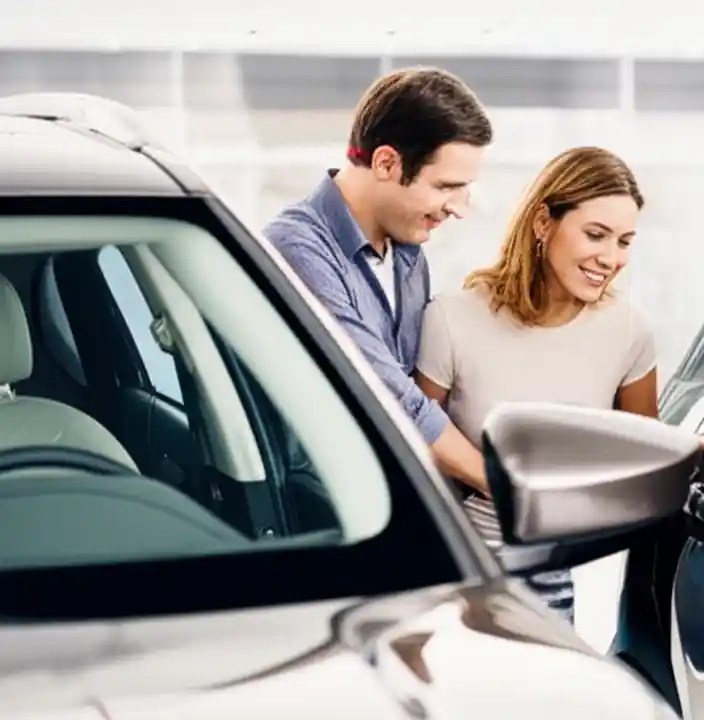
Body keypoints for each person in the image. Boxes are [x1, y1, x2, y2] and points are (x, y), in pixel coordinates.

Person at [414, 146, 658, 623]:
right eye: (596, 235)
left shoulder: (629, 331)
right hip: (454, 565)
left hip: (560, 571)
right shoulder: (453, 317)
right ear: (543, 222)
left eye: (625, 241)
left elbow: (641, 459)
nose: (611, 258)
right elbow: (412, 445)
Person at [263, 67, 493, 495]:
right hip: (323, 510)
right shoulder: (299, 249)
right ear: (386, 162)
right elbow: (389, 397)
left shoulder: (408, 253)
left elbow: (417, 389)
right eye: (447, 186)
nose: (459, 208)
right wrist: (496, 485)